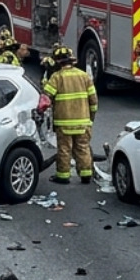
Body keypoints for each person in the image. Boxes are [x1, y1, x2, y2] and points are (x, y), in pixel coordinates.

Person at [41, 45, 97, 184]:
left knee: (64, 149)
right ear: (71, 61)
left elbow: (46, 97)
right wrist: (91, 117)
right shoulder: (84, 76)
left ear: (58, 62)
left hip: (63, 122)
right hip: (83, 121)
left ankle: (63, 176)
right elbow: (93, 100)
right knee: (83, 148)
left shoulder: (56, 77)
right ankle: (86, 175)